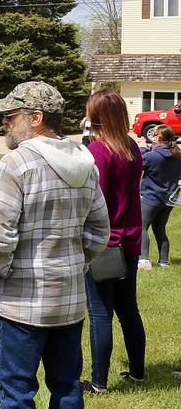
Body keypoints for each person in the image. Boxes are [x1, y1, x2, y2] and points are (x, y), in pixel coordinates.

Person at [0, 81, 110, 409]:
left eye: (10, 116)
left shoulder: (17, 162)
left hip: (22, 303)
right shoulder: (84, 161)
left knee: (16, 391)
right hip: (69, 300)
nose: (5, 123)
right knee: (67, 387)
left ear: (35, 117)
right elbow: (99, 231)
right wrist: (75, 264)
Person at [81, 88, 146, 393]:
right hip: (131, 240)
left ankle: (98, 384)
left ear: (97, 117)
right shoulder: (133, 148)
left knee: (100, 313)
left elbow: (97, 202)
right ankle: (137, 372)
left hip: (106, 243)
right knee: (128, 308)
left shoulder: (99, 152)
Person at [140, 126, 181, 269]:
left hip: (151, 198)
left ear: (159, 138)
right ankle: (164, 262)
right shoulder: (177, 153)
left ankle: (144, 260)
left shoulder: (151, 156)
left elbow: (139, 161)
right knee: (160, 229)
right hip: (169, 199)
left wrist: (144, 149)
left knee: (142, 227)